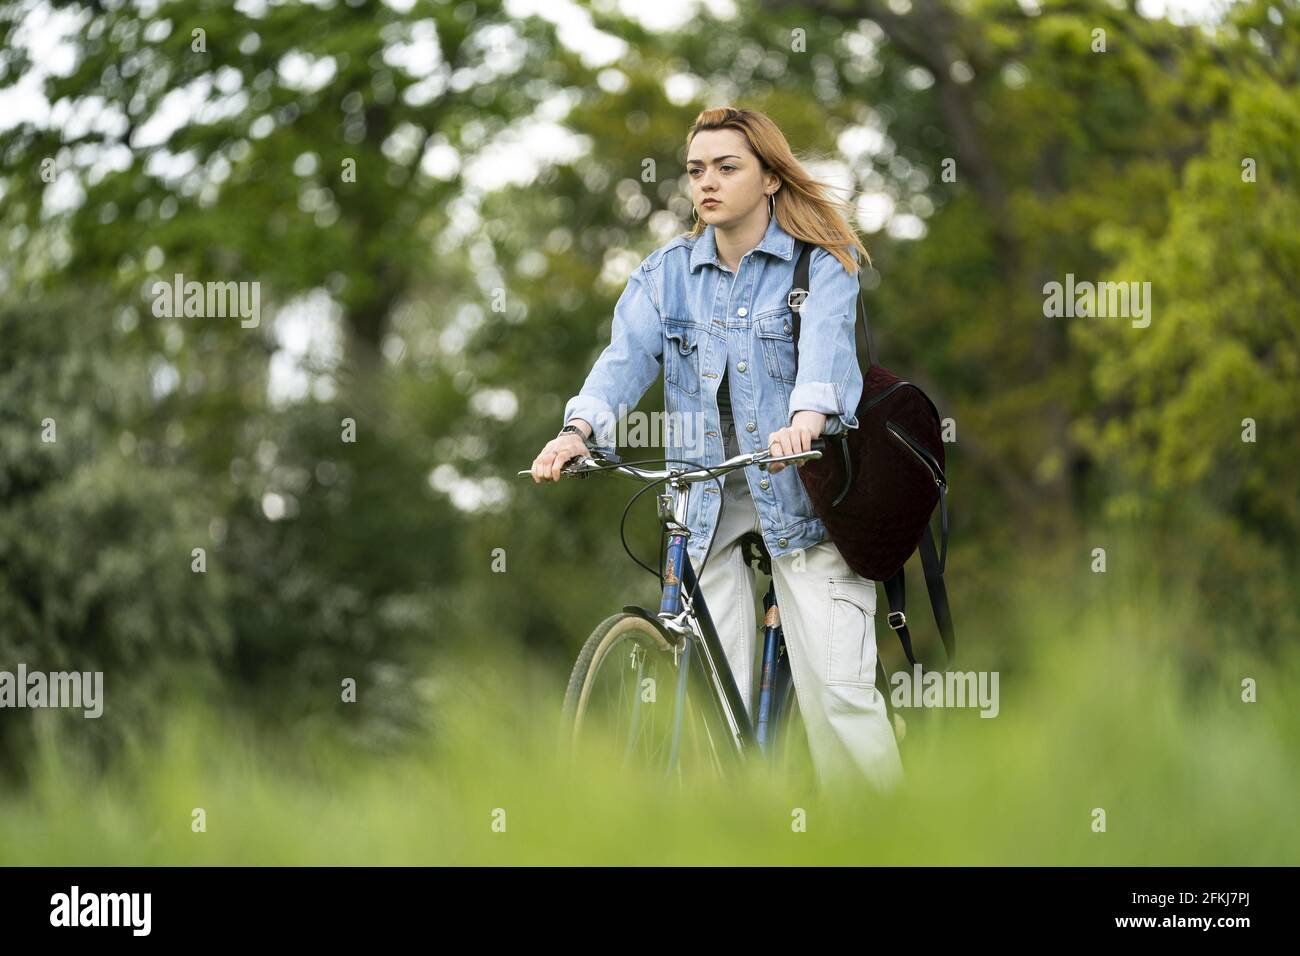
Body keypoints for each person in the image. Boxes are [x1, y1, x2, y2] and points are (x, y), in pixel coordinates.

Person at [531, 106, 901, 792]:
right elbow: (623, 361)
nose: (707, 182)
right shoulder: (666, 274)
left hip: (806, 498)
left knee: (841, 703)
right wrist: (576, 432)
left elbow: (825, 354)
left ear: (767, 178)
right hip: (706, 499)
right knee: (718, 704)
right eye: (697, 169)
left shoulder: (820, 264)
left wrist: (806, 420)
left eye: (727, 167)